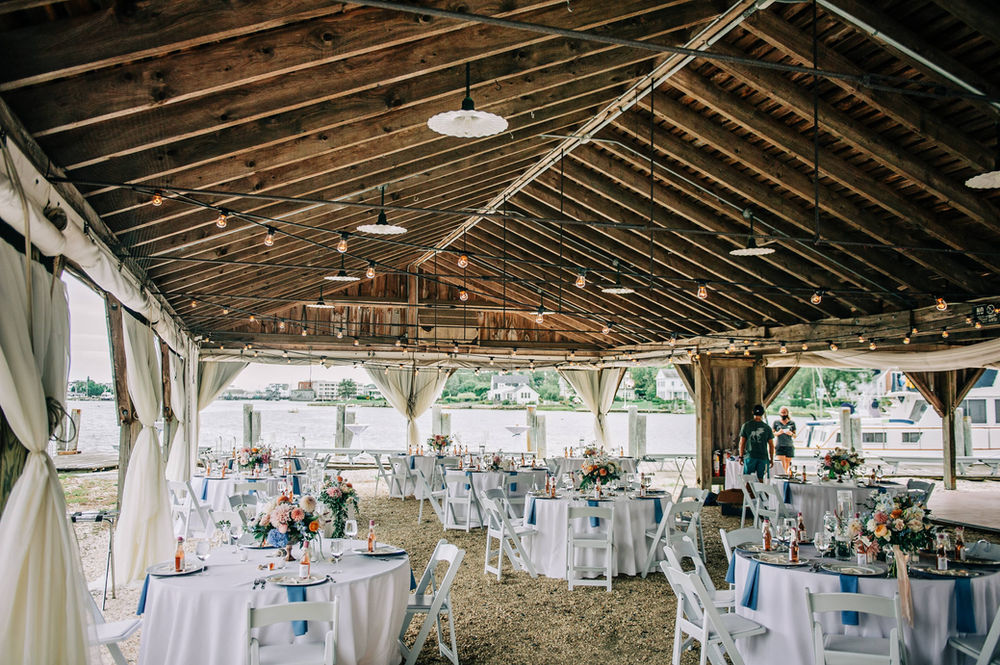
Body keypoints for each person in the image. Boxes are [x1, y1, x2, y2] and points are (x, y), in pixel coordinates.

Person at [738, 404, 773, 481]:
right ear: (763, 413)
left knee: (747, 480)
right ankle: (760, 493)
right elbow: (771, 445)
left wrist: (741, 456)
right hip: (763, 457)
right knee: (761, 480)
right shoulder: (767, 428)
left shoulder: (746, 425)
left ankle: (748, 493)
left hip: (750, 456)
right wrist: (771, 459)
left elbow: (742, 443)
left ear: (752, 412)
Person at [772, 406, 796, 475]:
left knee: (787, 465)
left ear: (787, 413)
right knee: (781, 464)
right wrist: (779, 433)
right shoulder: (776, 422)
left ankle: (786, 475)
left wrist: (791, 433)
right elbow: (772, 434)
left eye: (784, 412)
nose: (783, 414)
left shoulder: (792, 423)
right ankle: (782, 476)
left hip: (789, 445)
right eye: (782, 412)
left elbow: (795, 435)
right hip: (780, 445)